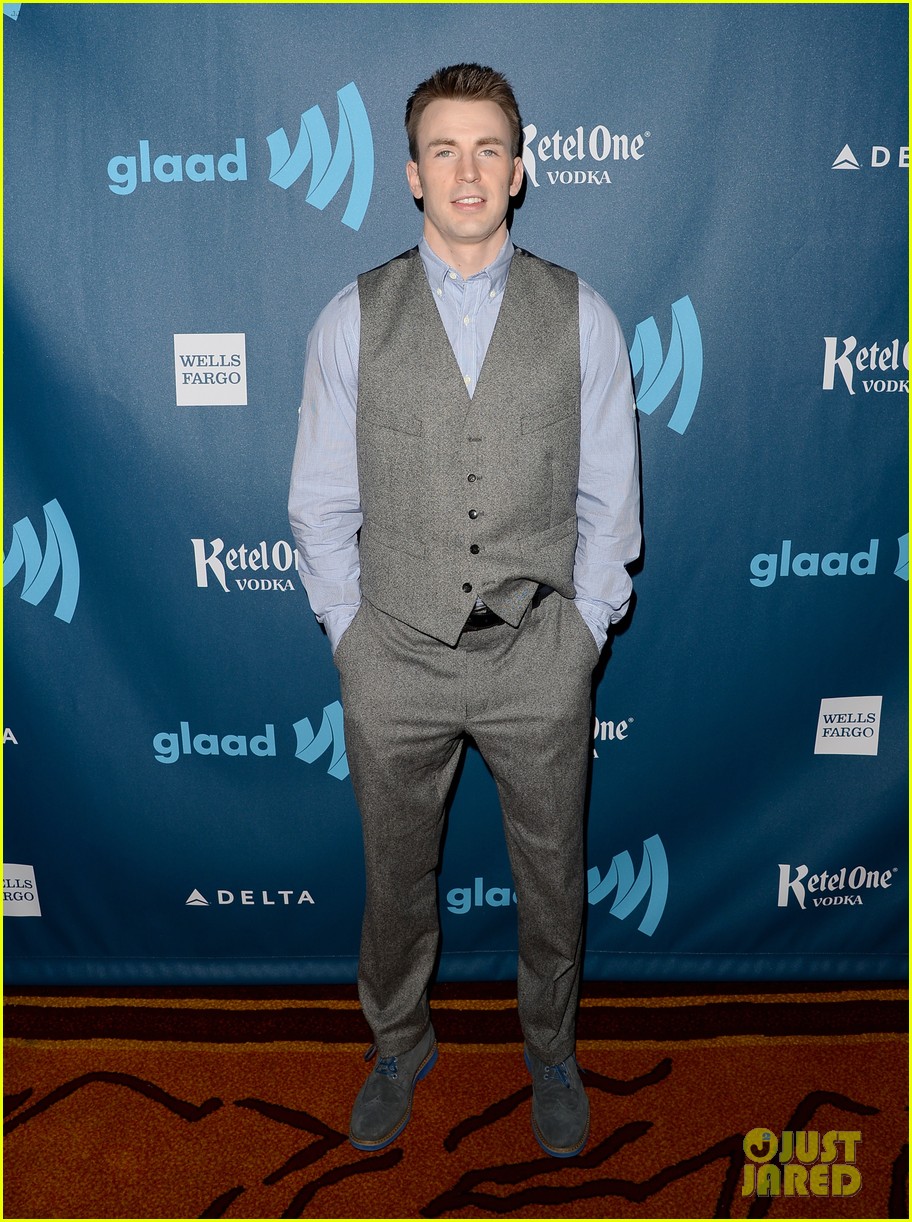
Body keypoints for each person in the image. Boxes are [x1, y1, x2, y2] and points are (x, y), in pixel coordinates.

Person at [289, 63, 640, 1159]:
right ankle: (399, 1042)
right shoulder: (351, 317)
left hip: (539, 651)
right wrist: (352, 638)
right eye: (445, 149)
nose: (468, 169)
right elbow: (317, 502)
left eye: (489, 147)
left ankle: (550, 1049)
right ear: (410, 174)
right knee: (395, 879)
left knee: (553, 875)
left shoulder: (583, 315)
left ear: (521, 168)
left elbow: (610, 502)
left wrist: (583, 630)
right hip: (393, 655)